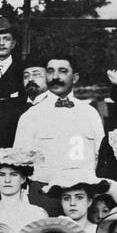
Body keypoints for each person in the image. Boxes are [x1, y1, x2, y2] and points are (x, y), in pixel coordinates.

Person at [12, 52, 104, 189]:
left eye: (62, 71)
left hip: (83, 191)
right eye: (50, 71)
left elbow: (101, 156)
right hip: (43, 192)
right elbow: (19, 162)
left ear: (75, 78)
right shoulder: (30, 116)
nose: (55, 77)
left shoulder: (90, 114)